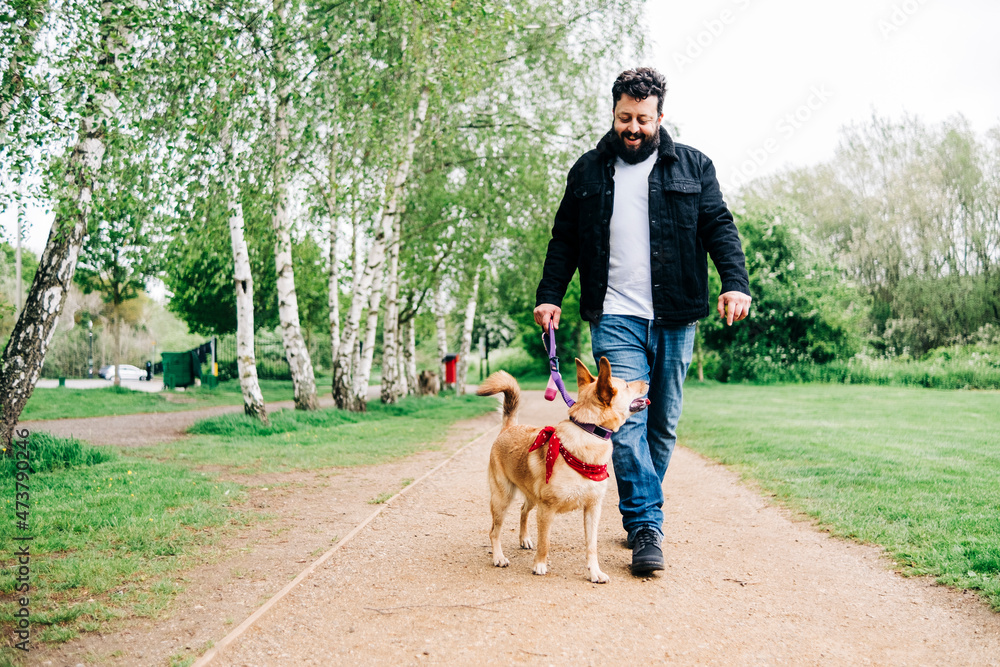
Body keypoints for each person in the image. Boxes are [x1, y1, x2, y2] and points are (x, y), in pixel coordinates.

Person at [533, 67, 751, 575]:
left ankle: (636, 514)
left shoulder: (694, 166)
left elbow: (719, 224)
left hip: (677, 315)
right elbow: (563, 238)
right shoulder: (587, 171)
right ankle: (648, 522)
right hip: (614, 314)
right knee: (620, 422)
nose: (633, 128)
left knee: (662, 423)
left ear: (659, 116)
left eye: (643, 119)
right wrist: (550, 296)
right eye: (624, 118)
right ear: (613, 113)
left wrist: (735, 282)